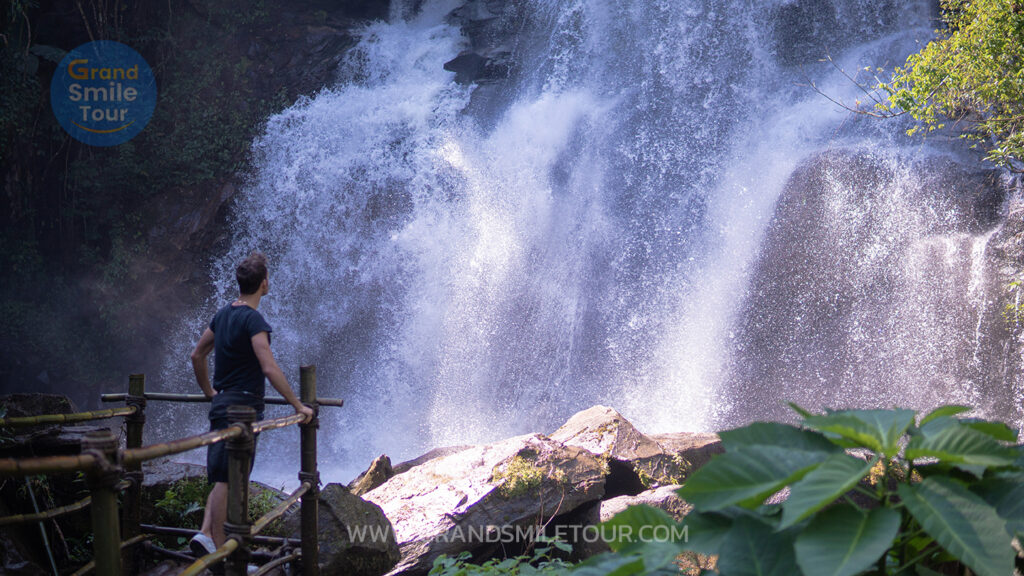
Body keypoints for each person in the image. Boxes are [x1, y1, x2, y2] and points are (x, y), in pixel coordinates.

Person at [187, 252, 313, 558]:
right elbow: (268, 366)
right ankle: (222, 552)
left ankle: (206, 534)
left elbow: (197, 355)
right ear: (264, 284)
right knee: (229, 479)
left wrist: (210, 392)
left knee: (223, 475)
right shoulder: (254, 320)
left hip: (222, 404)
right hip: (242, 409)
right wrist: (298, 405)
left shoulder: (222, 315)